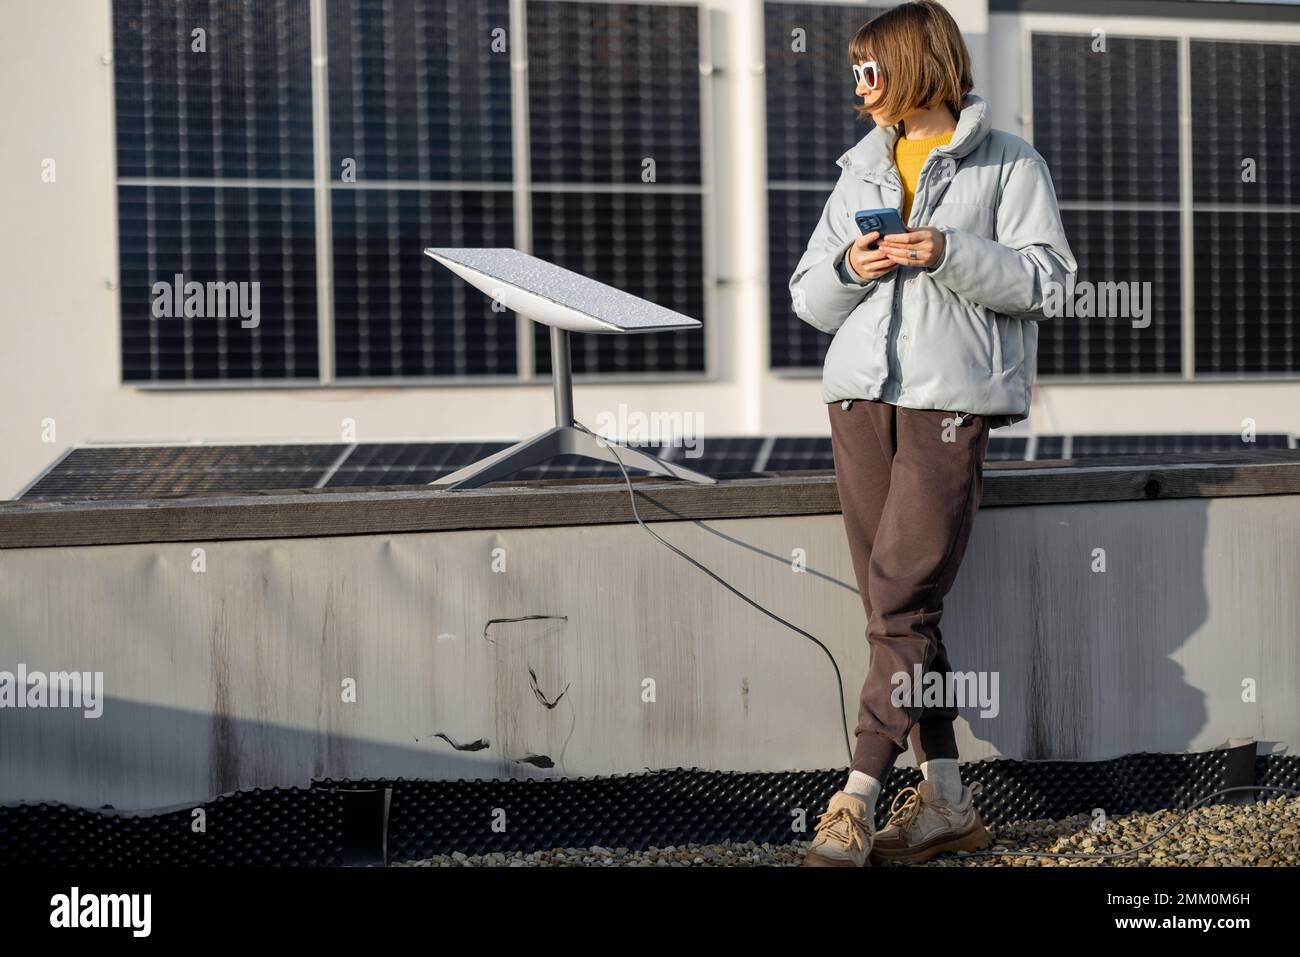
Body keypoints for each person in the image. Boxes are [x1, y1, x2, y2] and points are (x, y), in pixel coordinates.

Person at [788, 0, 1077, 867]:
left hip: (949, 404)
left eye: (871, 69)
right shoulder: (861, 169)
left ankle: (857, 793)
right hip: (857, 403)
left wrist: (945, 251)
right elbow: (807, 298)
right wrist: (854, 266)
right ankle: (948, 799)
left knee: (901, 598)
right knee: (896, 607)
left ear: (916, 67)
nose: (859, 86)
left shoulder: (1009, 164)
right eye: (855, 71)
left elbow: (1049, 281)